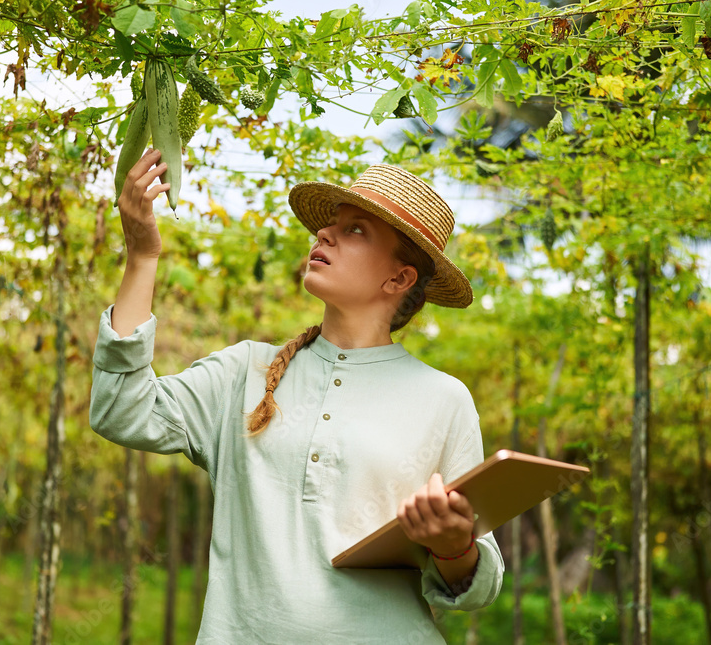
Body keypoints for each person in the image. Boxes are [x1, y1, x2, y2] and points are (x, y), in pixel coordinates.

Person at [89, 148, 504, 643]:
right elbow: (120, 410)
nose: (323, 234)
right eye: (332, 223)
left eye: (355, 230)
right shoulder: (245, 371)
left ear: (399, 278)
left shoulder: (445, 399)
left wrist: (455, 546)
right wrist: (142, 255)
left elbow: (479, 588)